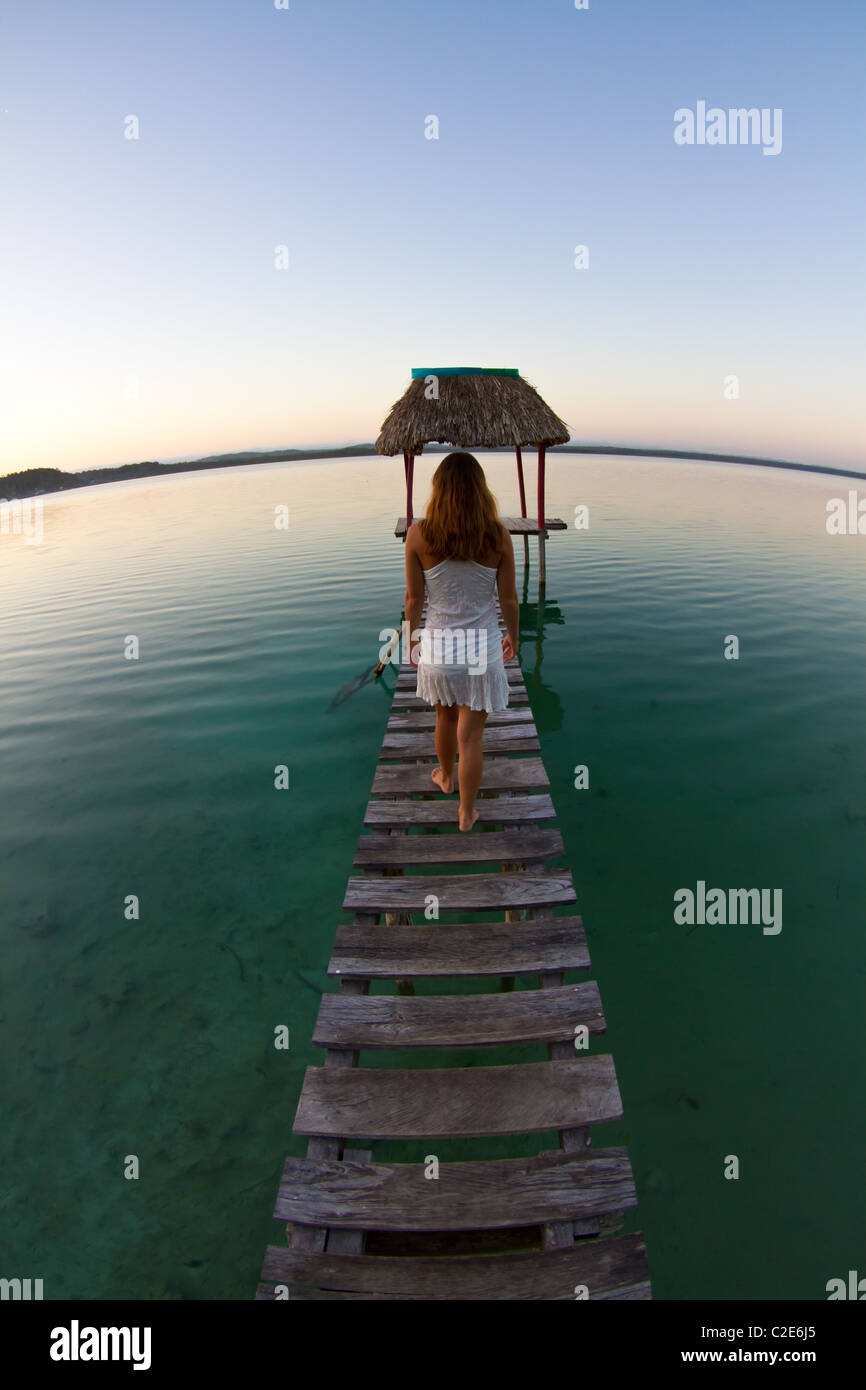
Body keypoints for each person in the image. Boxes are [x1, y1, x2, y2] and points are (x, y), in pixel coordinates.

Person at [404, 451, 519, 831]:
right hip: (481, 649)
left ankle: (446, 778)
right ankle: (467, 813)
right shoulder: (497, 535)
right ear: (480, 490)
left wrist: (411, 639)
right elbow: (508, 599)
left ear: (439, 490)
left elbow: (414, 599)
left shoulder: (419, 535)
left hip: (439, 649)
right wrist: (513, 637)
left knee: (443, 717)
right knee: (471, 737)